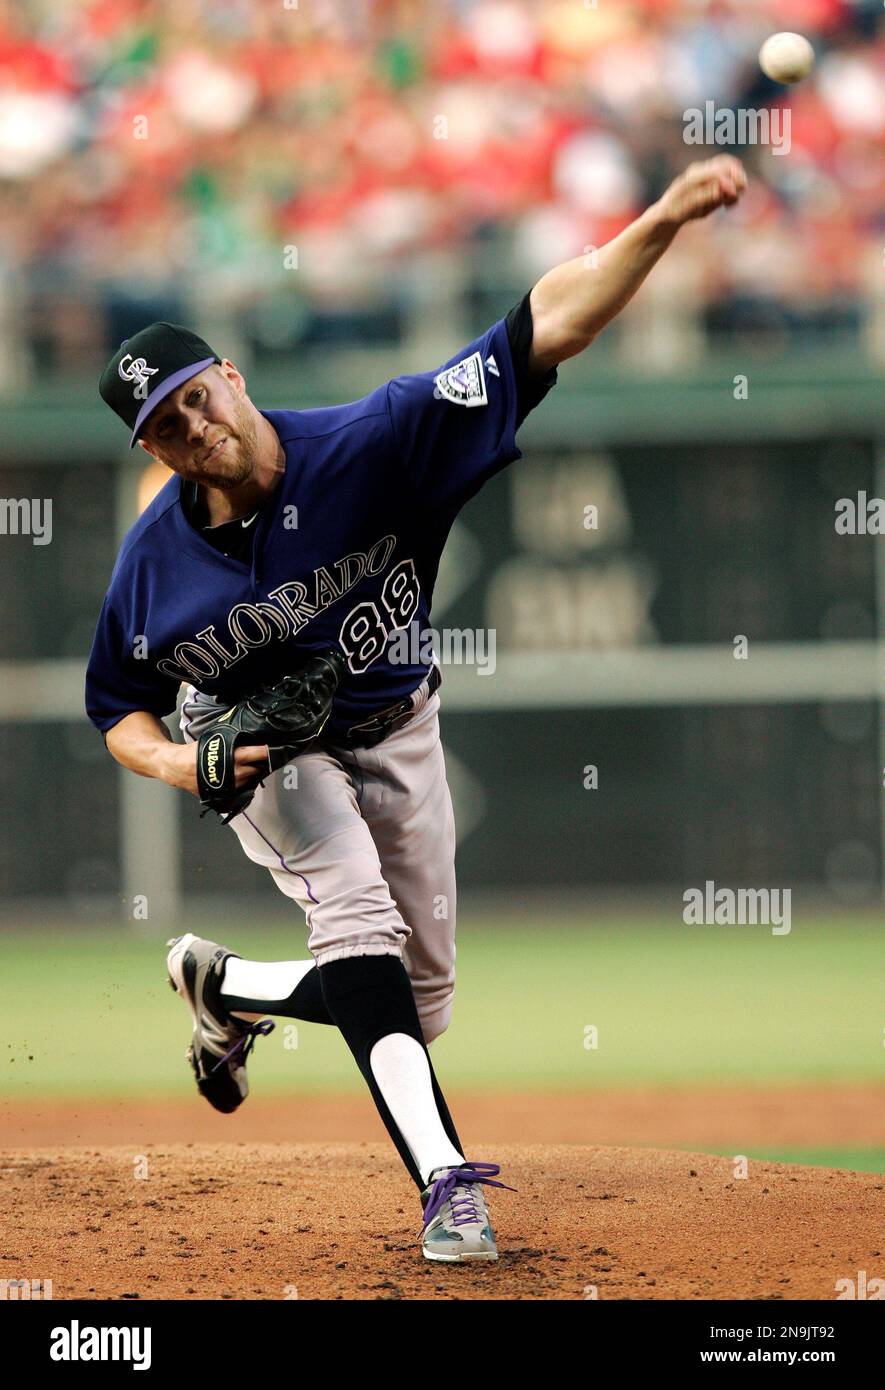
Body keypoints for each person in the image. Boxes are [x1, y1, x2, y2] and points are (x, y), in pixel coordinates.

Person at [86, 157, 747, 1263]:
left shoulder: (377, 442)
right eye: (165, 424)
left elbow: (544, 326)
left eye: (197, 395)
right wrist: (183, 767)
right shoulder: (151, 569)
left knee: (415, 997)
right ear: (149, 449)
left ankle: (227, 985)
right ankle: (448, 1186)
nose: (194, 426)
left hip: (397, 724)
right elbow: (120, 709)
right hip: (267, 752)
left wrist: (666, 218)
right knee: (352, 916)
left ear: (232, 375)